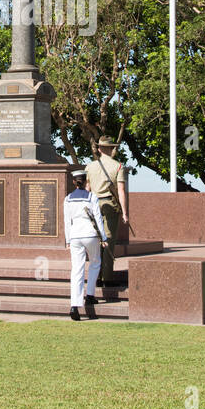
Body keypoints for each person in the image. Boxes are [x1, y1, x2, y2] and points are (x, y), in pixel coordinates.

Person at [63, 169, 108, 321]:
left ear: (74, 182)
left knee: (77, 269)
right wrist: (104, 237)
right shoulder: (91, 197)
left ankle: (74, 305)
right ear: (86, 181)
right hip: (90, 234)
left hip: (75, 236)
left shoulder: (68, 199)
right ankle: (90, 295)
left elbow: (67, 222)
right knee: (95, 263)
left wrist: (68, 240)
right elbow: (98, 219)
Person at [85, 136, 130, 287]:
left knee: (96, 241)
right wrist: (124, 212)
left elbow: (87, 189)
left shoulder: (90, 167)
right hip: (110, 204)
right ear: (111, 149)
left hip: (93, 204)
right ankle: (107, 278)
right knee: (109, 241)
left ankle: (96, 276)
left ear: (99, 149)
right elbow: (121, 191)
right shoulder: (118, 166)